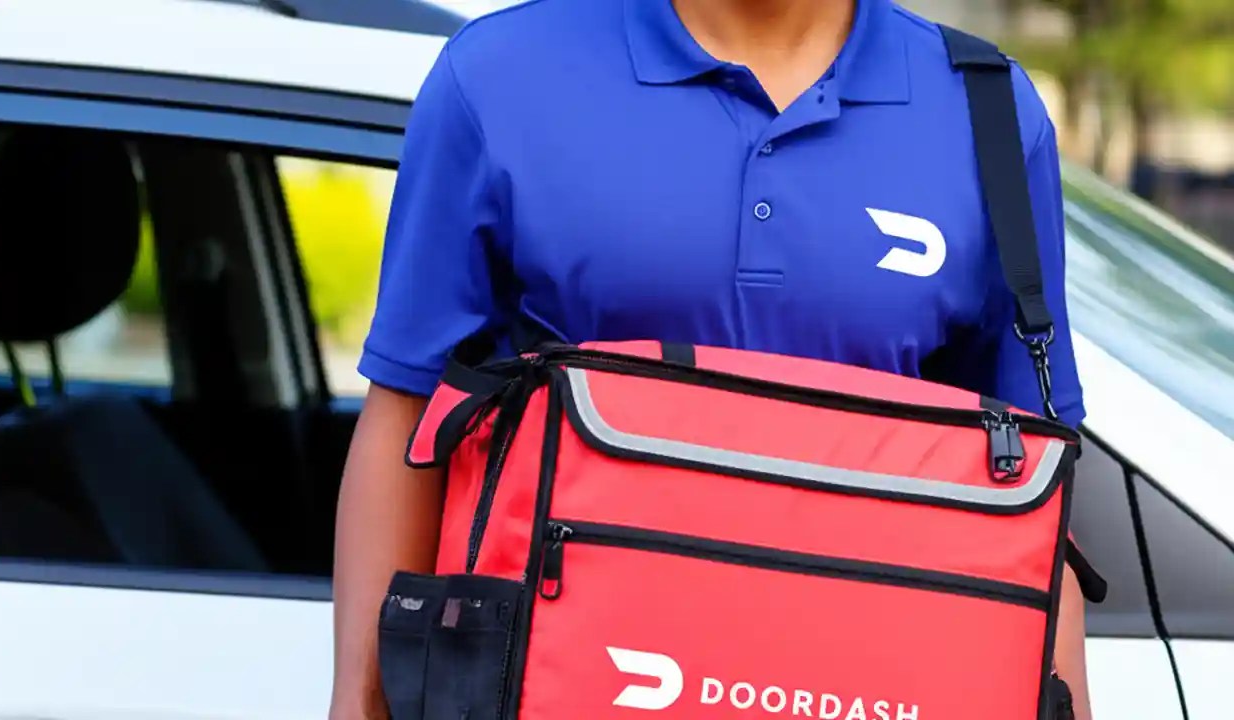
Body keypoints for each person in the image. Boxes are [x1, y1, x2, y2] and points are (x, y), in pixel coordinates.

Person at [329, 0, 1099, 718]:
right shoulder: (501, 74)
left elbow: (1030, 488)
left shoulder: (984, 110)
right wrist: (359, 701)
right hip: (561, 682)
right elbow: (409, 416)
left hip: (859, 686)